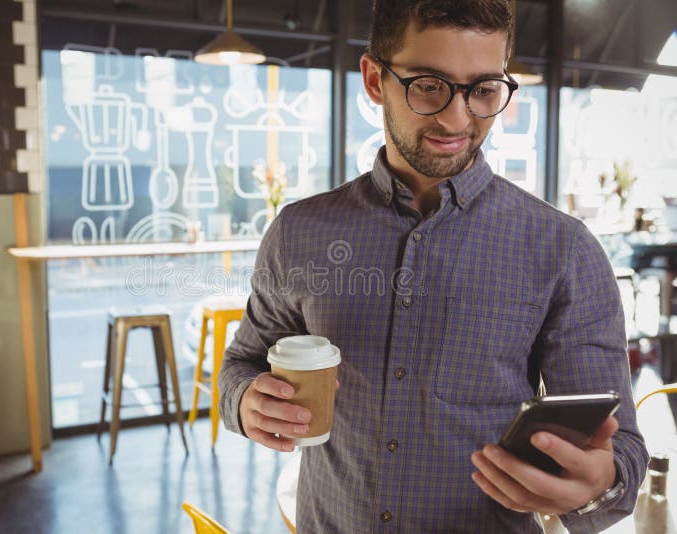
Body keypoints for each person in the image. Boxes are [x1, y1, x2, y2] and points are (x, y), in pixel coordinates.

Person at [218, 1, 648, 532]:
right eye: (427, 85)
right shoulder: (299, 232)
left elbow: (622, 450)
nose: (455, 117)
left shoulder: (564, 250)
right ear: (376, 79)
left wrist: (597, 485)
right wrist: (245, 402)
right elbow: (240, 365)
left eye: (484, 90)